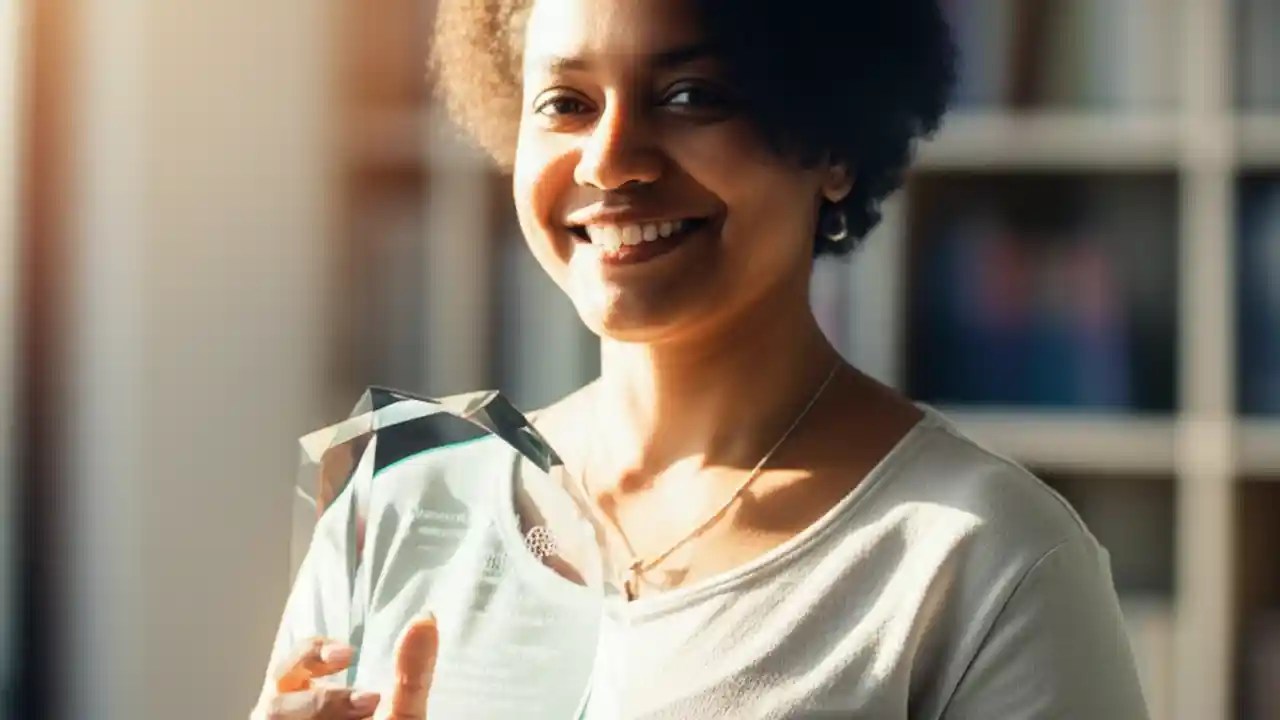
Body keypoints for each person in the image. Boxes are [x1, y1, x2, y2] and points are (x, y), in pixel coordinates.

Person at [253, 0, 1151, 718]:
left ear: (832, 140)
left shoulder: (985, 563)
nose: (611, 161)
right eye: (565, 103)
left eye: (690, 96)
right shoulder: (405, 507)